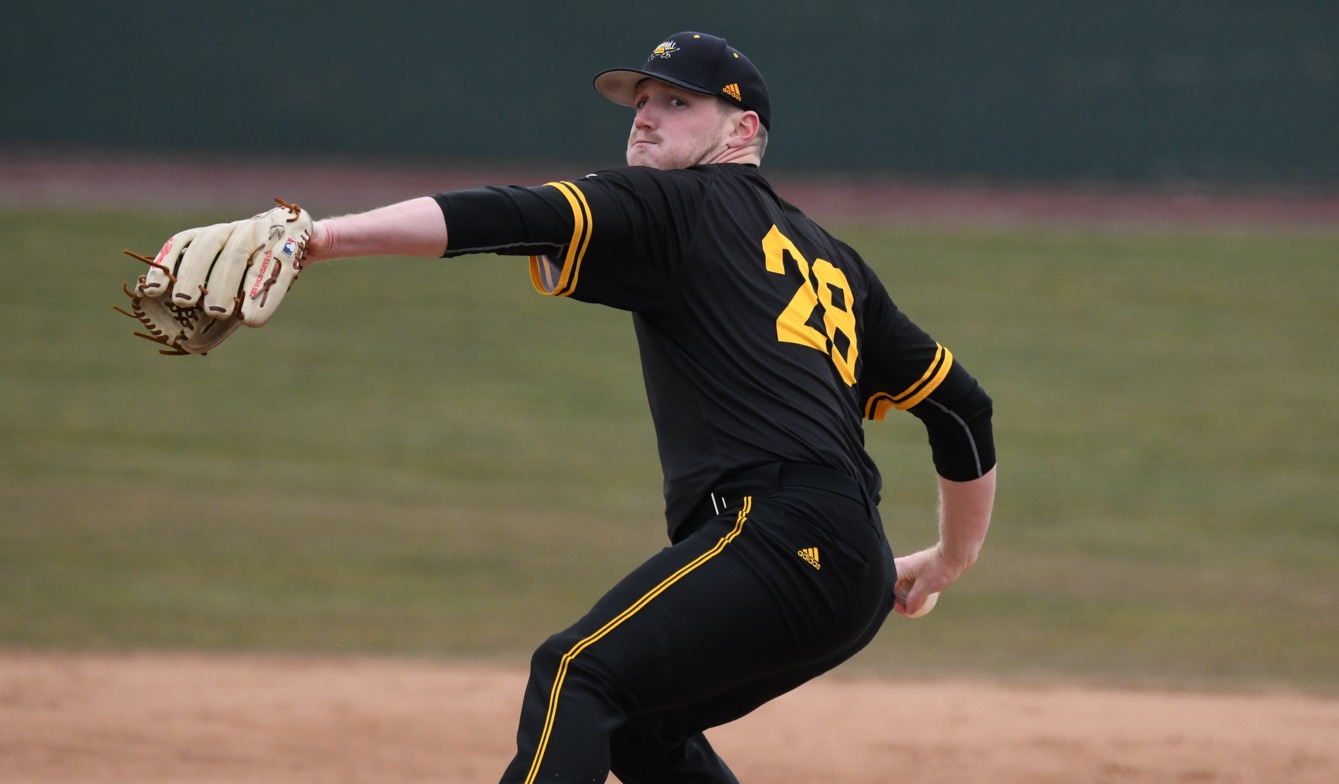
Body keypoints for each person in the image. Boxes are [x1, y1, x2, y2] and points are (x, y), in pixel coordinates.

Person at [301, 31, 996, 784]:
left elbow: (505, 217)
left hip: (779, 535)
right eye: (640, 102)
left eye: (676, 101)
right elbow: (962, 408)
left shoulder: (678, 203)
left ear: (742, 130)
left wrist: (321, 237)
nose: (644, 116)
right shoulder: (831, 258)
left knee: (575, 672)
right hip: (848, 568)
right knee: (637, 730)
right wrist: (949, 561)